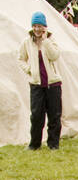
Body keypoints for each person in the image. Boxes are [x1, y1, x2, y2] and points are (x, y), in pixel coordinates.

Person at [18, 12, 62, 151]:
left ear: (45, 27)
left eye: (40, 26)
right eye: (35, 26)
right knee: (36, 115)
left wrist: (45, 41)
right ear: (32, 27)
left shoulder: (51, 40)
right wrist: (29, 69)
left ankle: (53, 144)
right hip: (36, 84)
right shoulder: (26, 42)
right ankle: (34, 144)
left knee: (54, 115)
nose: (37, 29)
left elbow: (54, 56)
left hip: (52, 83)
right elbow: (20, 59)